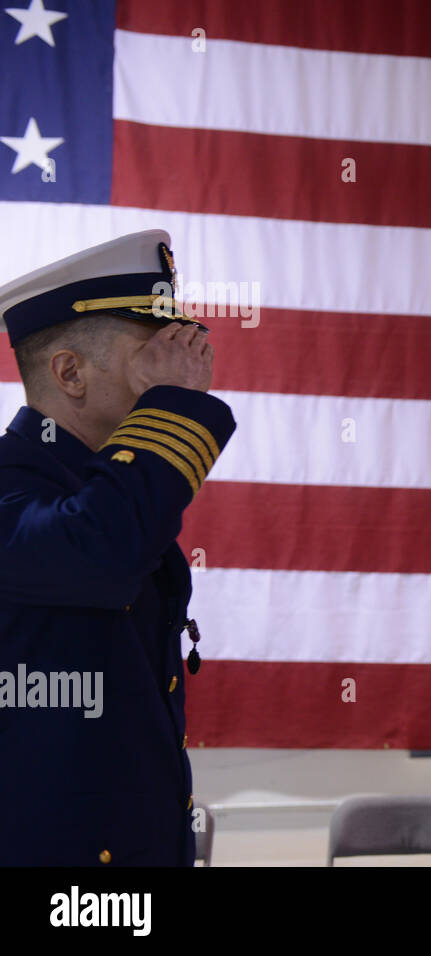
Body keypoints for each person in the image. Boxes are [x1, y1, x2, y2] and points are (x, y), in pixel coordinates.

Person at [0, 231, 236, 866]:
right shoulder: (15, 487)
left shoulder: (107, 489)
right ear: (70, 373)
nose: (183, 359)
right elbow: (96, 558)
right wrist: (177, 408)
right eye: (153, 349)